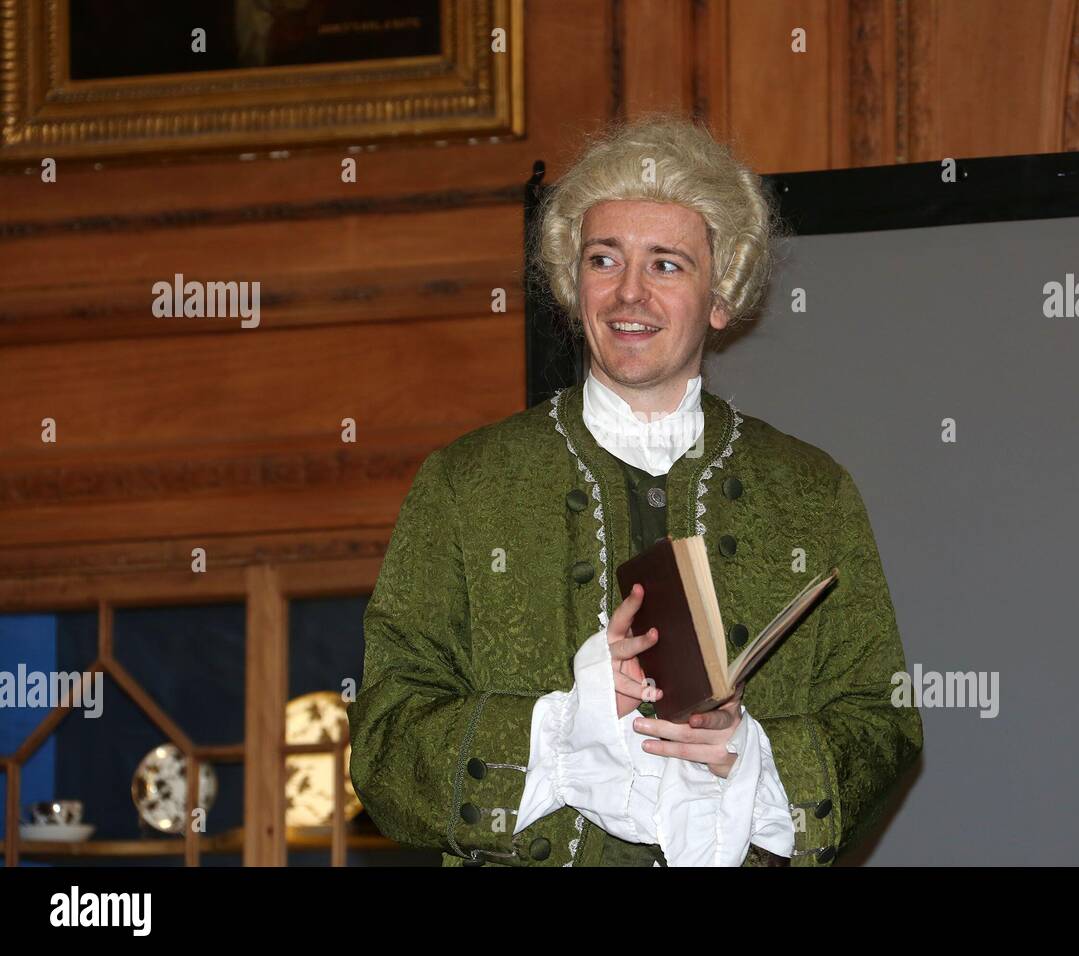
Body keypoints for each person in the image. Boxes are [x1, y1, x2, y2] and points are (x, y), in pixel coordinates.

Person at [346, 114, 923, 866]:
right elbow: (385, 746)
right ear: (572, 281)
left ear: (721, 298)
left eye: (666, 265)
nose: (628, 295)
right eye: (604, 259)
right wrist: (568, 724)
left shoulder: (811, 492)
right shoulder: (465, 484)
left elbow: (884, 724)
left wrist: (746, 755)